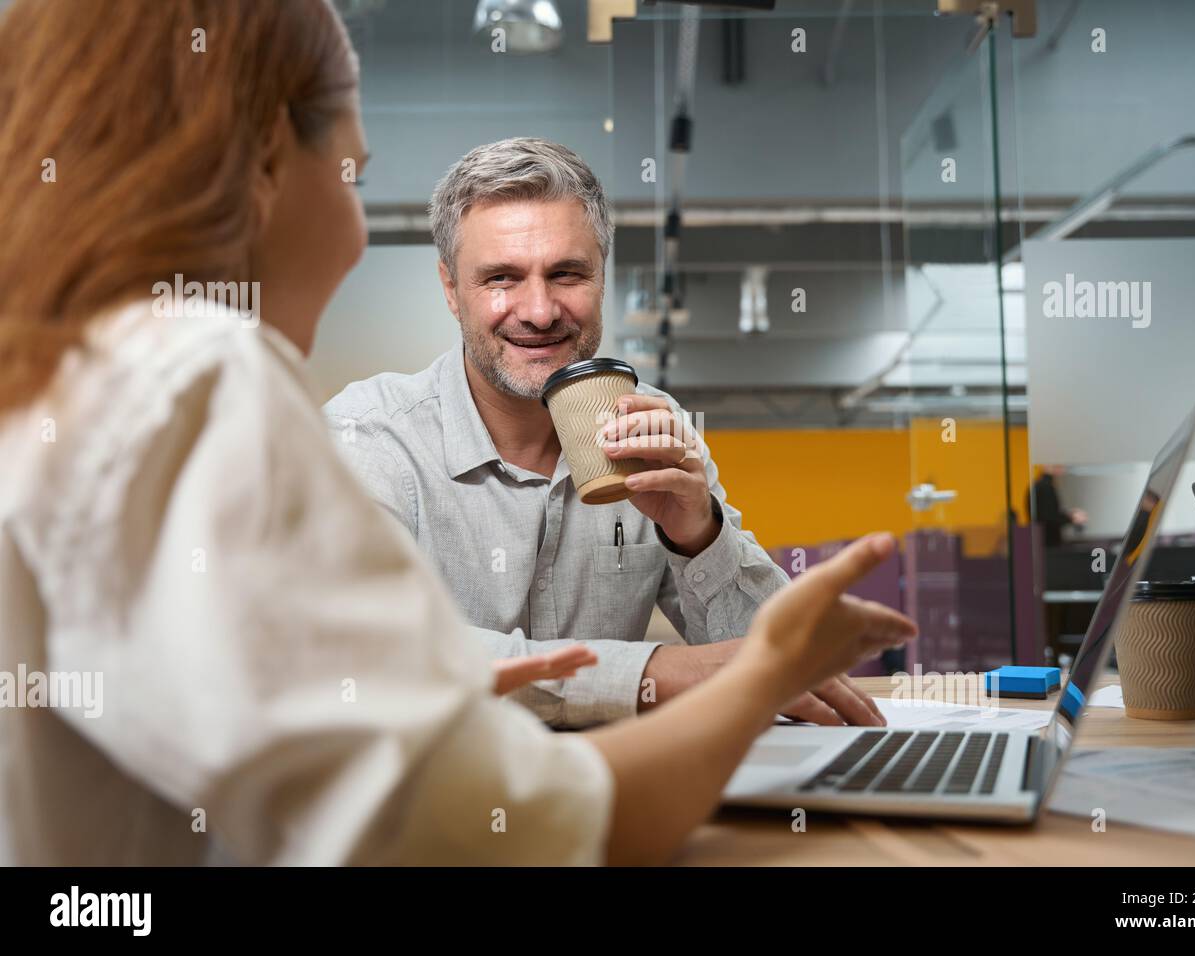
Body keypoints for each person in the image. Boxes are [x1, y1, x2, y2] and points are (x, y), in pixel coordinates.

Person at [0, 0, 917, 866]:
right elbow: (492, 825)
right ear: (270, 164)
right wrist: (722, 676)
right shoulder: (211, 388)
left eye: (568, 273)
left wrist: (700, 532)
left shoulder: (77, 378)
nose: (357, 234)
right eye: (350, 175)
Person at [324, 137, 885, 729]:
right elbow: (372, 651)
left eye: (567, 273)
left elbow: (767, 666)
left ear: (601, 278)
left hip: (612, 794)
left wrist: (697, 534)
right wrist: (653, 674)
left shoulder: (652, 427)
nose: (540, 311)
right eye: (501, 279)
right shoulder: (371, 437)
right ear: (450, 289)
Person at [1028, 464, 1088, 547]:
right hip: (1048, 543)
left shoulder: (1040, 486)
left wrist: (1069, 515)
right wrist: (1072, 517)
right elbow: (1048, 517)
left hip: (1043, 541)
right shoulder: (1045, 487)